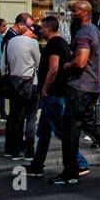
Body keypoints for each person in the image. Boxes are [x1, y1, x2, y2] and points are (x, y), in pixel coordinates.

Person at [55, 0, 100, 187]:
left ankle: (70, 172)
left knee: (71, 130)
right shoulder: (95, 30)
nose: (72, 13)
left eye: (75, 11)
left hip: (80, 86)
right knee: (90, 125)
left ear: (85, 13)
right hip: (92, 86)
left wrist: (66, 65)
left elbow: (81, 61)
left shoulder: (84, 33)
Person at [26, 15, 88, 178]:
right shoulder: (63, 43)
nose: (40, 30)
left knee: (61, 131)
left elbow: (53, 68)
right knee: (44, 132)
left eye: (42, 27)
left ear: (47, 27)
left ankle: (80, 163)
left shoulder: (53, 43)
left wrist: (45, 88)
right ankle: (37, 165)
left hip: (53, 93)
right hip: (57, 92)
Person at [1, 15, 41, 158]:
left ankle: (14, 150)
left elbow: (3, 66)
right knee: (31, 118)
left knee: (16, 116)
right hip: (31, 83)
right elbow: (39, 64)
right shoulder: (33, 43)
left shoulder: (9, 42)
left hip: (14, 83)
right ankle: (29, 150)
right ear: (31, 31)